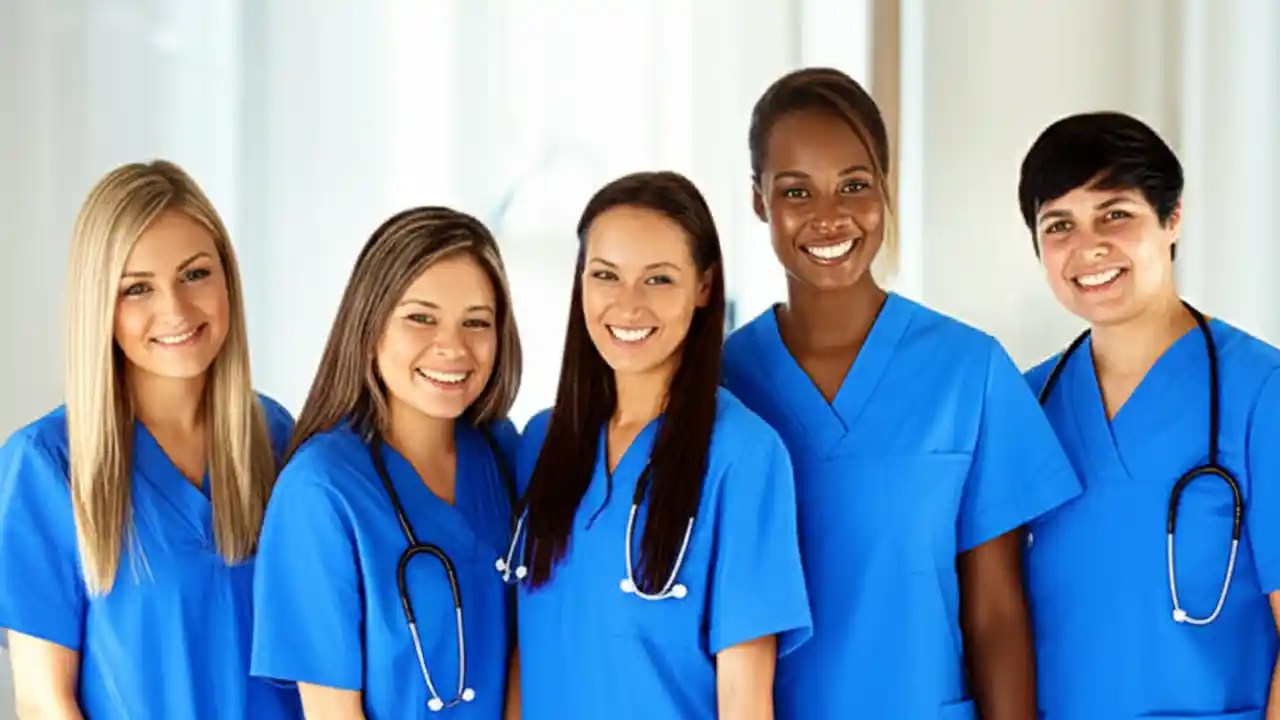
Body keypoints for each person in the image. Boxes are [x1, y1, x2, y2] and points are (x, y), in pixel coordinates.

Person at [720, 67, 1083, 718]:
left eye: (854, 185)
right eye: (796, 191)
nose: (829, 217)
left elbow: (996, 615)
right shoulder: (720, 384)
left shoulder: (968, 371)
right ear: (759, 201)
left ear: (885, 188)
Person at [501, 171, 811, 719]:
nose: (627, 305)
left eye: (659, 280)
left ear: (704, 287)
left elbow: (744, 696)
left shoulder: (743, 457)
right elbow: (526, 657)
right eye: (606, 275)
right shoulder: (542, 444)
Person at [0, 160, 300, 718]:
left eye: (195, 275)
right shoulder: (45, 466)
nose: (176, 310)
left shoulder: (278, 439)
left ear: (227, 279)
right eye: (137, 288)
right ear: (100, 309)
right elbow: (45, 702)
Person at [1020, 111, 1280, 719]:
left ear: (1172, 219)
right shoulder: (1025, 407)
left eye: (1116, 213)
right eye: (1060, 224)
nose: (1089, 247)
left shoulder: (1262, 394)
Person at [251, 207, 523, 719]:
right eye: (421, 317)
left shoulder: (502, 458)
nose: (453, 347)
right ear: (371, 324)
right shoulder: (320, 491)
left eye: (476, 322)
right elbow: (332, 711)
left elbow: (526, 651)